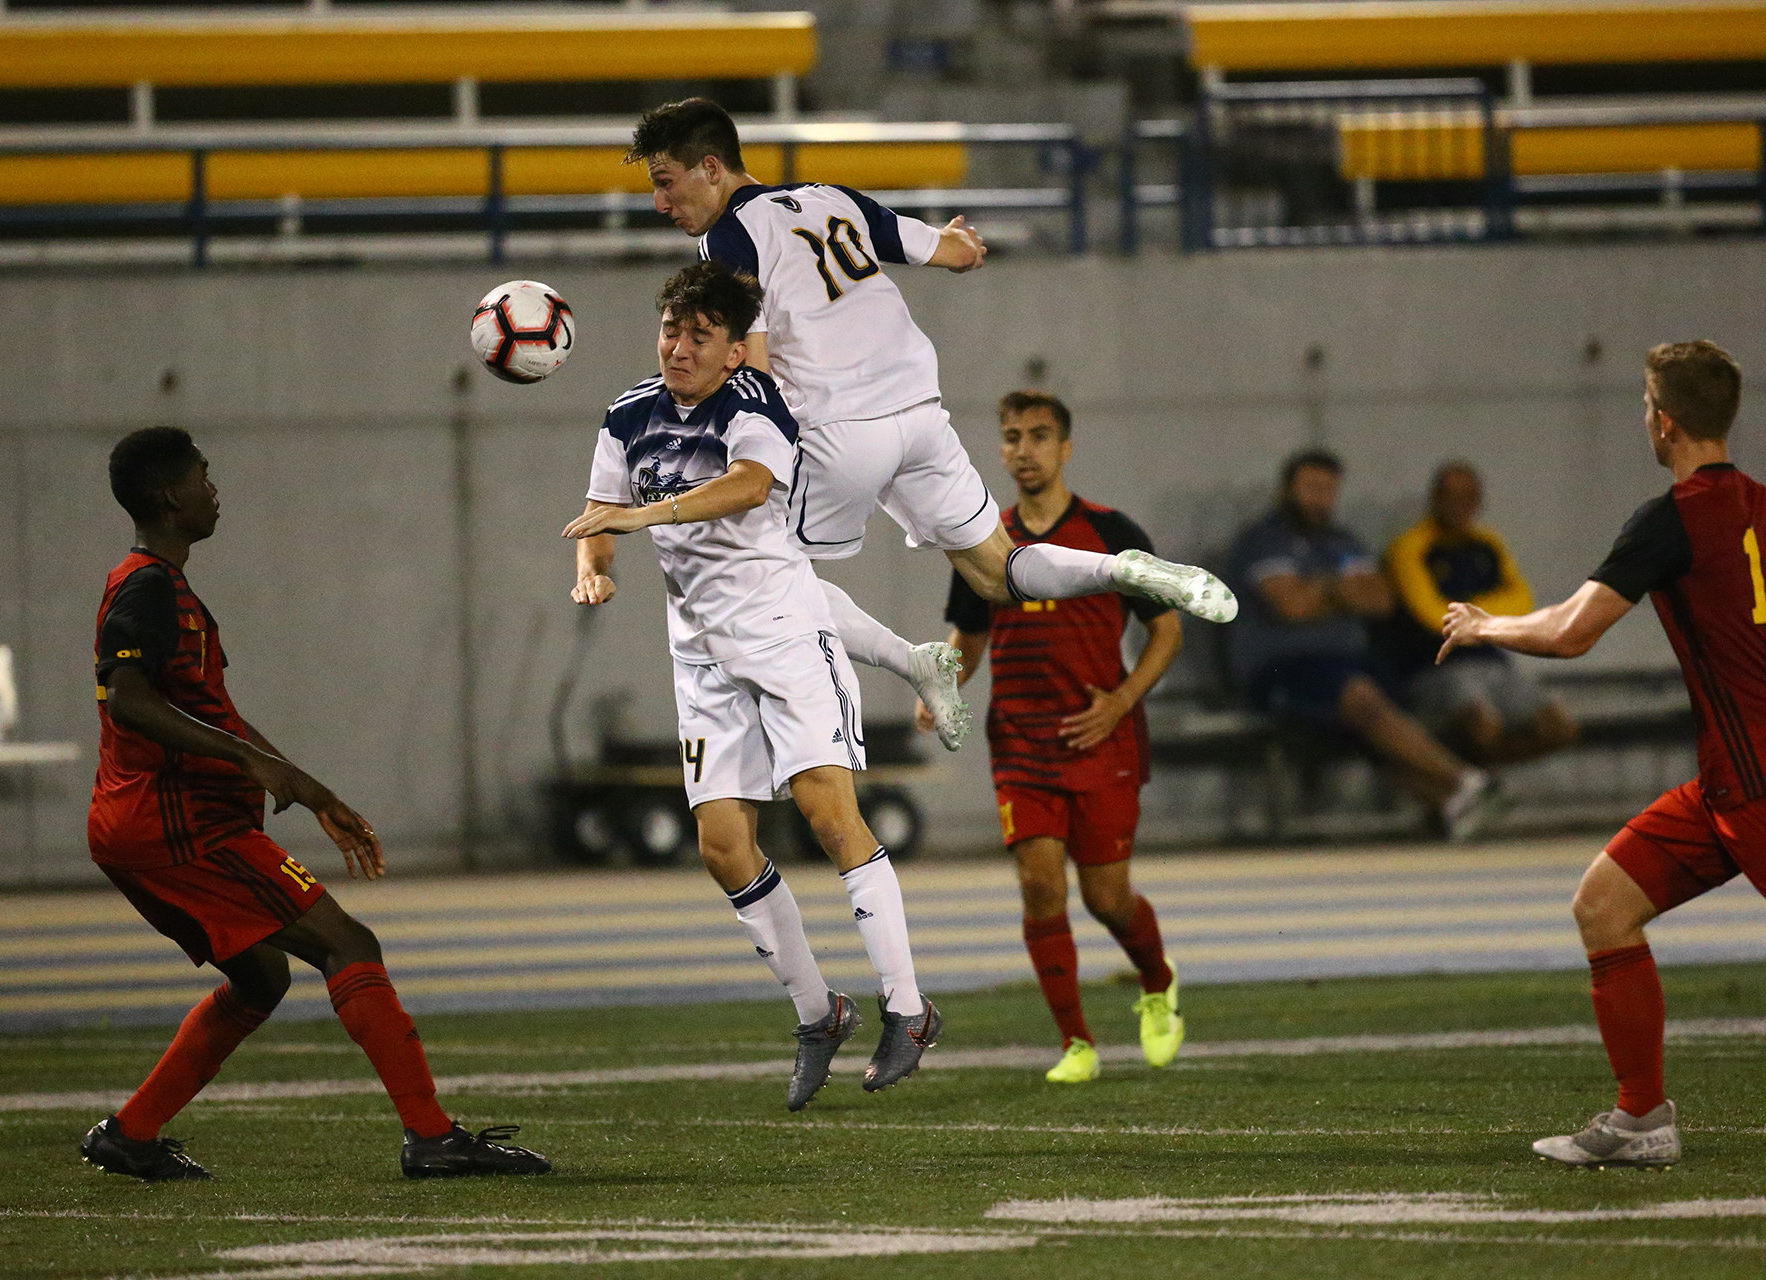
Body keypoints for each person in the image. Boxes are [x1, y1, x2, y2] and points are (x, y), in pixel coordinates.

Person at [627, 98, 1235, 753]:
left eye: (666, 182)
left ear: (711, 169)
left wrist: (744, 446)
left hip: (837, 428)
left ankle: (916, 663)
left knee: (748, 575)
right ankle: (1120, 571)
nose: (661, 203)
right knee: (996, 574)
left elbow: (758, 362)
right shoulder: (834, 198)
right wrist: (965, 245)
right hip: (918, 411)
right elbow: (952, 252)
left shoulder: (726, 239)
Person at [84, 426, 549, 1181]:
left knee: (263, 979)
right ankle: (431, 1137)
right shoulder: (146, 587)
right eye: (203, 476)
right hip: (175, 825)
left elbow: (207, 710)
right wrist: (248, 762)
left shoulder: (163, 587)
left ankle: (129, 1135)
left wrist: (301, 781)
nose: (215, 488)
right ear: (172, 496)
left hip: (151, 822)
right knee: (349, 944)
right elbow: (128, 700)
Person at [563, 262, 941, 1111]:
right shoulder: (628, 413)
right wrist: (594, 567)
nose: (679, 347)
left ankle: (910, 1010)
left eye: (700, 335)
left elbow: (749, 486)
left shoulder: (755, 403)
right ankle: (820, 1013)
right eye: (671, 328)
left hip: (784, 635)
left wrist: (646, 516)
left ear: (737, 349)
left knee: (827, 812)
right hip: (699, 654)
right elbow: (597, 514)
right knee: (722, 849)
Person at [1440, 340, 1750, 1169]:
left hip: (1758, 783)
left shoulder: (1671, 518)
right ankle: (1643, 1119)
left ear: (1665, 420)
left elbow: (1573, 631)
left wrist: (1483, 625)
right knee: (1604, 906)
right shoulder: (1760, 507)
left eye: (1647, 402)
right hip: (1727, 783)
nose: (1644, 416)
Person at [918, 392, 1185, 1080]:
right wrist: (942, 686)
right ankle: (1077, 1044)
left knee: (1107, 900)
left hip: (1102, 741)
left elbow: (1167, 630)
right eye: (1012, 437)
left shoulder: (1110, 530)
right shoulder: (984, 541)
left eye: (1039, 436)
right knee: (1041, 889)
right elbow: (968, 640)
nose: (1024, 450)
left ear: (1066, 448)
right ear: (1000, 450)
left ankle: (1158, 985)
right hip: (1020, 745)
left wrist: (1122, 700)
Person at [1226, 449, 1502, 839]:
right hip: (1285, 669)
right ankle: (1464, 783)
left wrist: (1320, 590)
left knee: (1408, 704)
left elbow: (1380, 600)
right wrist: (1340, 591)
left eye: (1327, 490)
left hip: (1351, 662)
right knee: (1360, 698)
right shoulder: (1264, 542)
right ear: (1287, 490)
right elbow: (1292, 606)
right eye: (1310, 488)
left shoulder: (1343, 542)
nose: (1318, 498)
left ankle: (1449, 806)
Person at [1380, 461, 1578, 764]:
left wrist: (1472, 610)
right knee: (1482, 725)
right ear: (1435, 499)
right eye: (1450, 496)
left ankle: (1475, 782)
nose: (1460, 506)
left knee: (1559, 726)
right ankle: (1473, 785)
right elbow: (1436, 617)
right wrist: (1491, 612)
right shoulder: (1411, 547)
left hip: (1494, 664)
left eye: (1468, 497)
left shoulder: (1487, 543)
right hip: (1437, 668)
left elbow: (1523, 604)